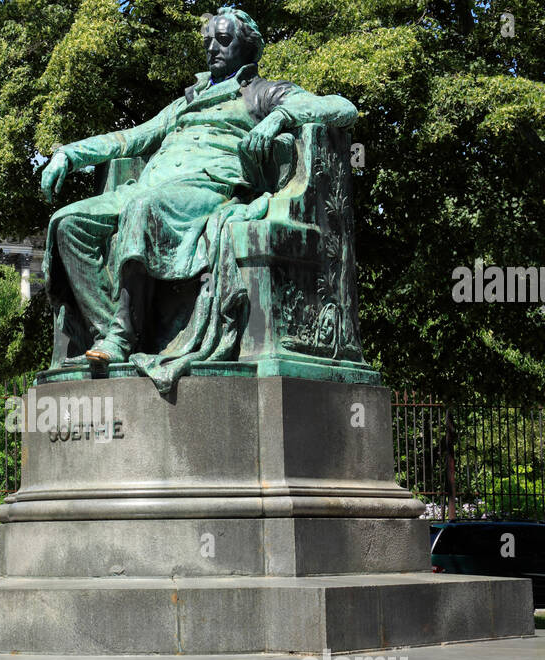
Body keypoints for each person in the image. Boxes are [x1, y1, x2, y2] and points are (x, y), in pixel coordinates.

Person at [40, 6, 358, 390]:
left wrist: (279, 118)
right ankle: (110, 329)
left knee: (145, 209)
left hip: (206, 189)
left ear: (248, 47)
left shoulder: (262, 93)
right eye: (208, 41)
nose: (213, 48)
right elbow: (132, 137)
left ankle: (121, 338)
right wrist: (69, 154)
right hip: (148, 187)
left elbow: (343, 107)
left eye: (224, 40)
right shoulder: (185, 101)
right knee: (68, 223)